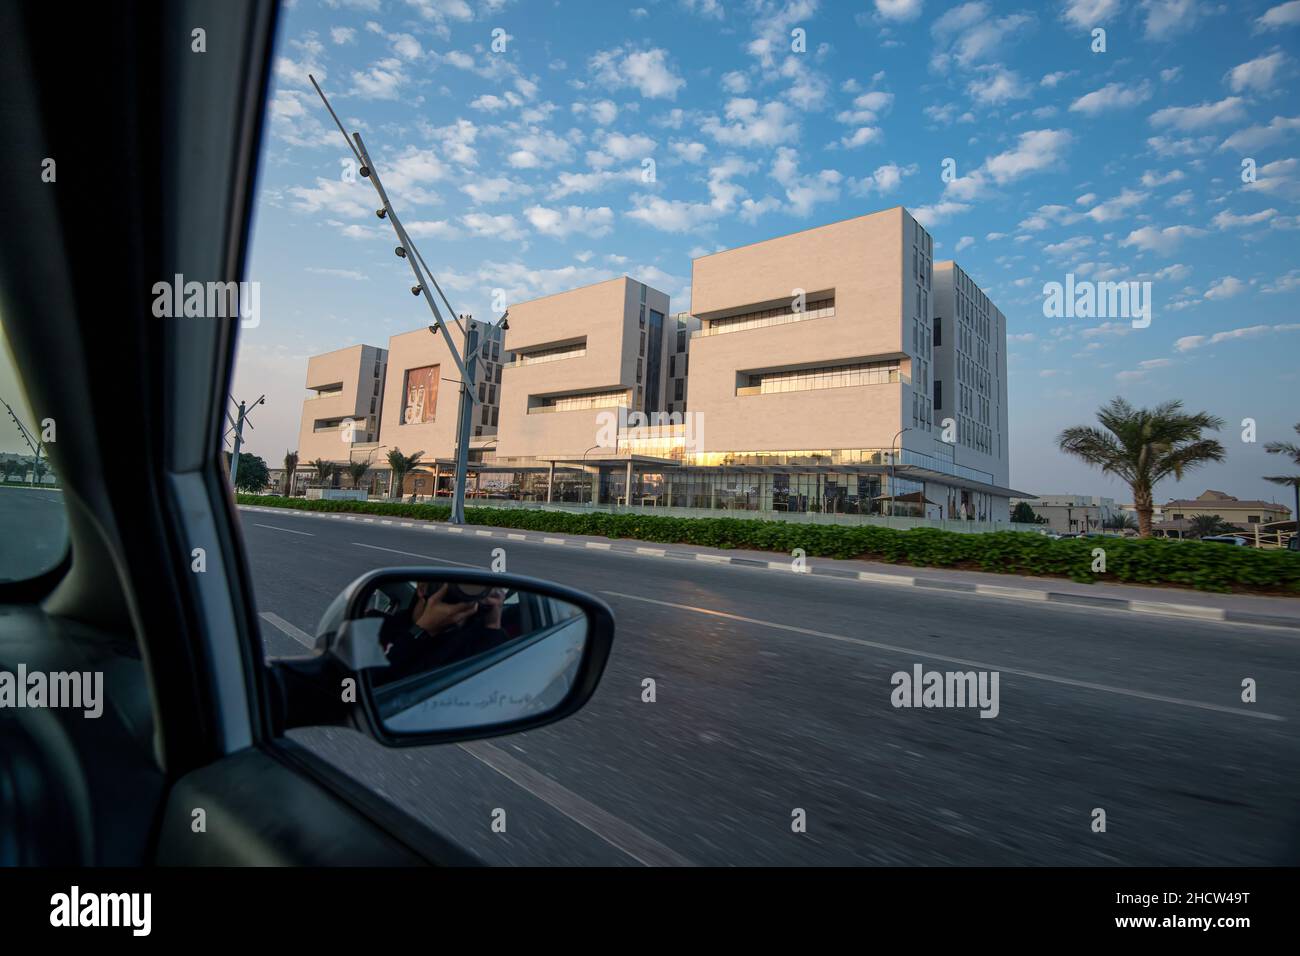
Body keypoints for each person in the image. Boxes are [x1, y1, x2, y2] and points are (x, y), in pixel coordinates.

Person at [372, 582, 511, 684]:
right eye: (448, 587)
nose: (457, 595)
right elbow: (374, 682)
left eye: (467, 589)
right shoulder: (377, 626)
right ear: (422, 588)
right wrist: (423, 630)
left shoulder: (475, 639)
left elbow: (497, 677)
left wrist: (493, 621)